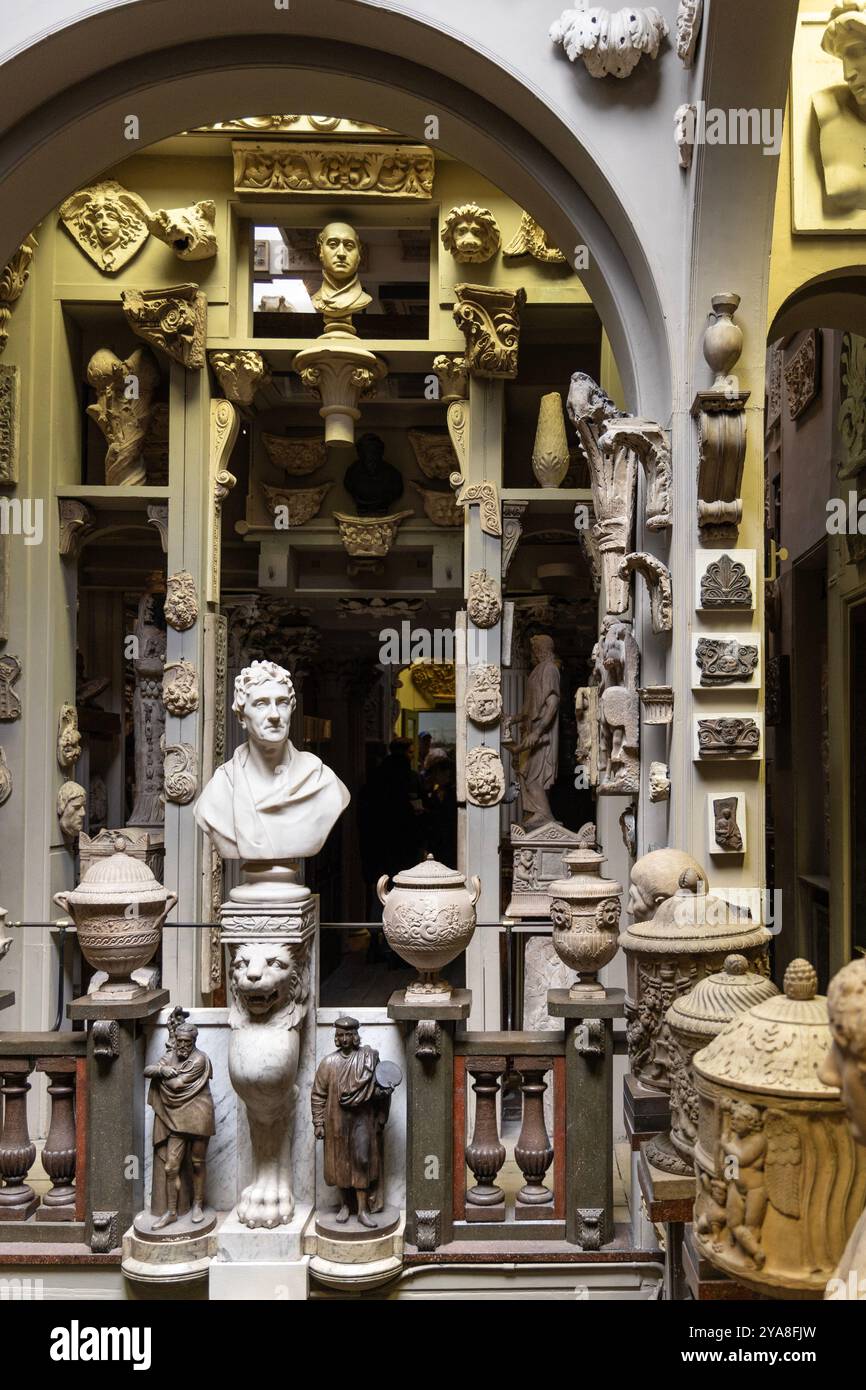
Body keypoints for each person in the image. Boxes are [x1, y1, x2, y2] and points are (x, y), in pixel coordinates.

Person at [194, 660, 350, 862]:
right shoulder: (221, 788)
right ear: (241, 716)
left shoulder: (321, 780)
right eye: (261, 704)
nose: (275, 715)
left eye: (282, 703)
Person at [311, 1017, 400, 1227]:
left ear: (355, 1036)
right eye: (340, 1035)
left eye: (348, 1035)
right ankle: (345, 1206)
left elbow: (377, 1091)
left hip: (363, 1119)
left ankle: (361, 1210)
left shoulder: (368, 1060)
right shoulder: (328, 1063)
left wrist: (383, 1102)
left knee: (362, 1161)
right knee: (339, 1163)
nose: (344, 1039)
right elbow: (318, 1094)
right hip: (336, 1120)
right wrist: (319, 1122)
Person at [144, 1016, 215, 1230]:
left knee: (197, 1162)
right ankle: (172, 1212)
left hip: (199, 1115)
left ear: (194, 1041)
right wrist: (162, 1070)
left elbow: (176, 1085)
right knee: (171, 1167)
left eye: (187, 1042)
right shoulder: (171, 1056)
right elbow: (147, 1070)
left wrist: (164, 1075)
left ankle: (198, 1205)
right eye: (180, 1040)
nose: (183, 1045)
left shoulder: (199, 1059)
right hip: (176, 1119)